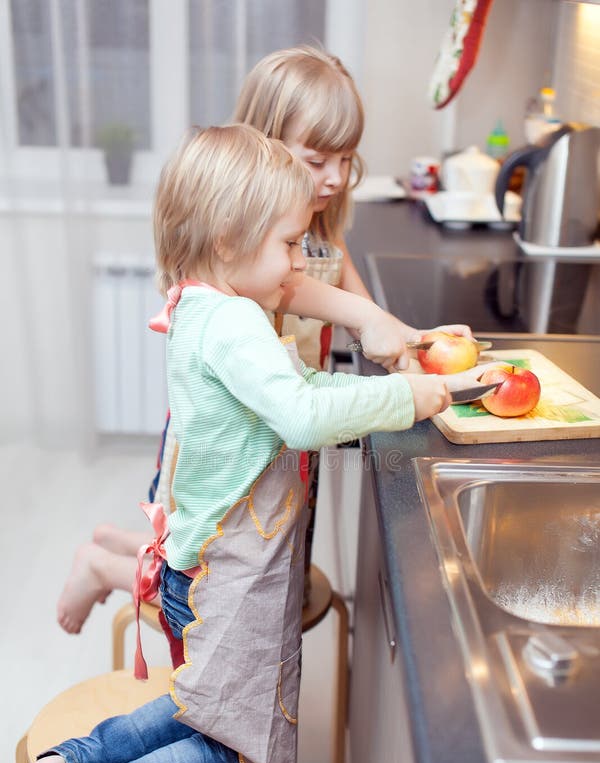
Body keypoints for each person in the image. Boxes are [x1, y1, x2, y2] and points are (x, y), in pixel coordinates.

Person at [1, 124, 482, 763]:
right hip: (228, 588)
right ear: (229, 240)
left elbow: (297, 393)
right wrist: (407, 397)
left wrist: (404, 392)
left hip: (203, 579)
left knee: (198, 708)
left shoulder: (204, 307)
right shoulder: (233, 325)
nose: (297, 263)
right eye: (289, 244)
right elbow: (301, 416)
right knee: (232, 745)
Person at [57, 44, 473, 636]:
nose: (335, 177)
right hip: (232, 441)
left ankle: (119, 546)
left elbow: (368, 319)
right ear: (266, 152)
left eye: (346, 159)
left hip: (286, 435)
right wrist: (374, 327)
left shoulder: (315, 233)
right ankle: (103, 565)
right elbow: (307, 296)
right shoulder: (247, 250)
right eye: (317, 159)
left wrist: (415, 341)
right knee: (203, 579)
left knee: (252, 573)